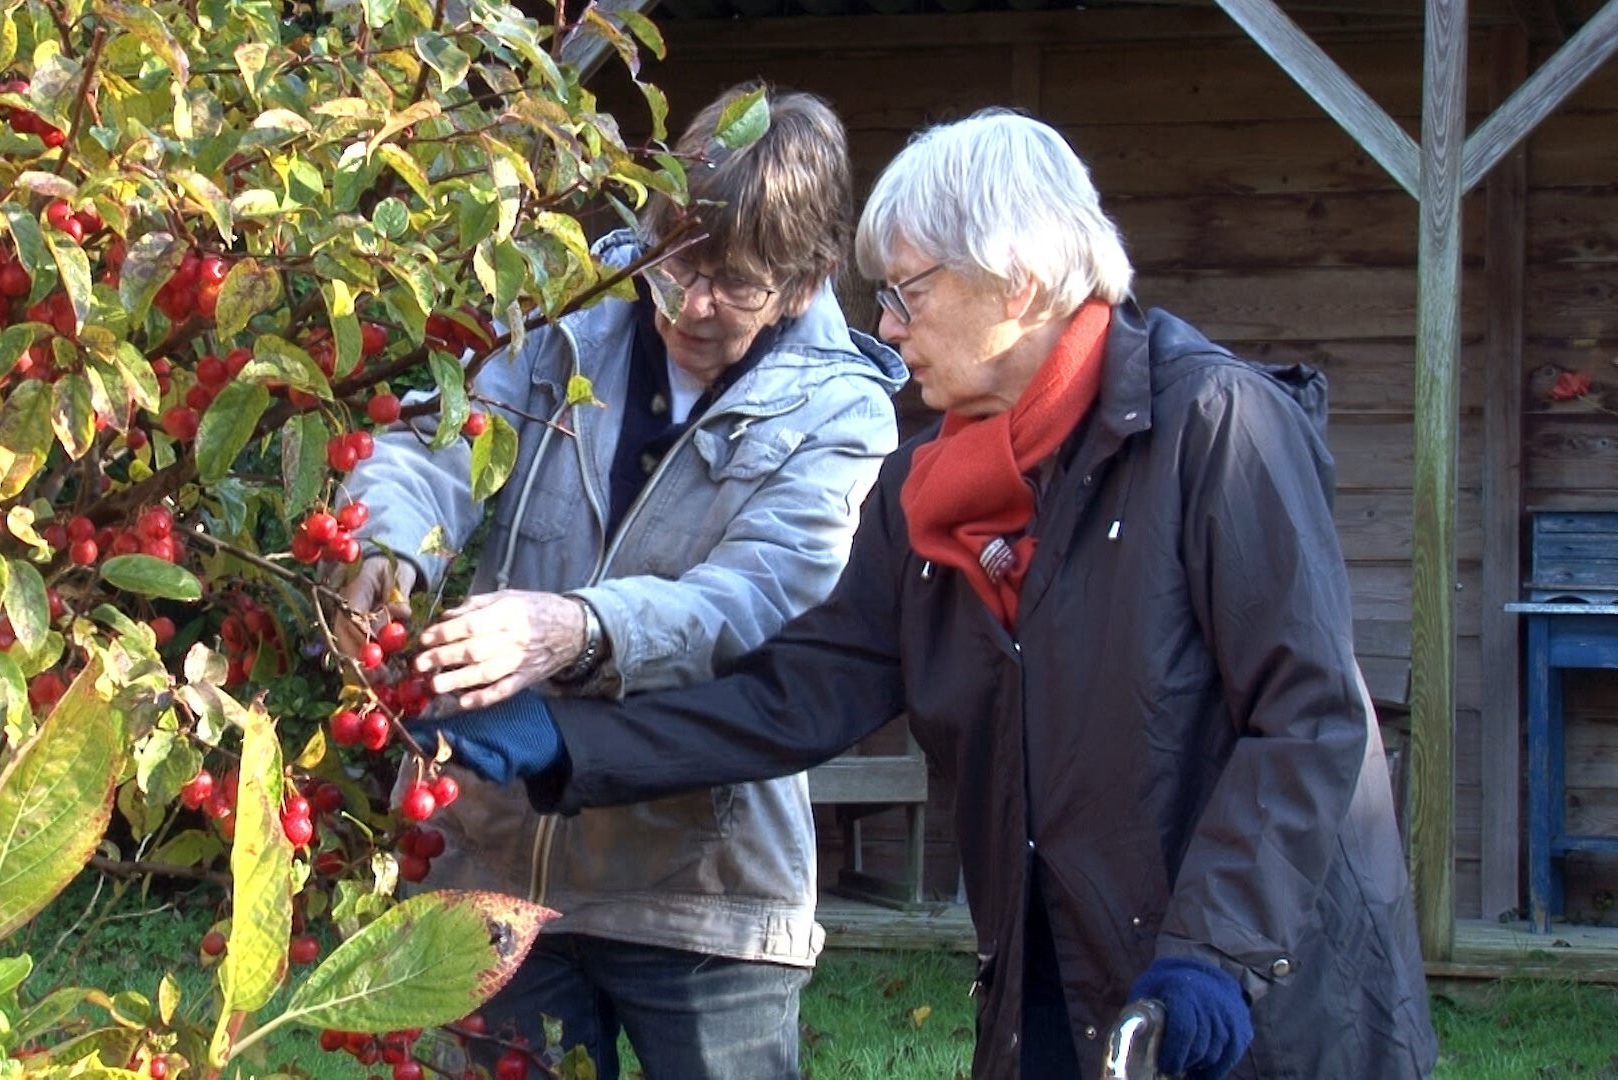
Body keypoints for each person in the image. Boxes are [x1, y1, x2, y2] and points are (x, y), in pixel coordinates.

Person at [416, 108, 1441, 1080]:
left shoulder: (1216, 427)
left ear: (1018, 283)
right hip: (1055, 981)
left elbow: (1306, 716)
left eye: (908, 293)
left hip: (1255, 995)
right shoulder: (931, 492)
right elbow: (797, 698)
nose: (888, 327)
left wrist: (1215, 953)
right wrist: (565, 741)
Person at [336, 84, 905, 1079]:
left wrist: (573, 628)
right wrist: (385, 549)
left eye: (735, 283)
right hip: (494, 854)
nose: (691, 303)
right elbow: (436, 442)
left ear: (806, 281)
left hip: (705, 887)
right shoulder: (561, 318)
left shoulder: (842, 414)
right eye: (676, 259)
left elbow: (755, 599)